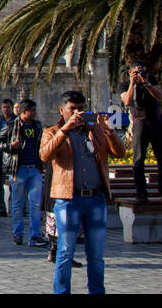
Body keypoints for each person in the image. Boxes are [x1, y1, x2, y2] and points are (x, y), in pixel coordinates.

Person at [41, 89, 127, 294]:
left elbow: (120, 152)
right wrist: (65, 130)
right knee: (65, 251)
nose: (77, 113)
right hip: (68, 199)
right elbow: (45, 155)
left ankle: (96, 291)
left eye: (81, 109)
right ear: (62, 110)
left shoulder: (95, 130)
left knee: (96, 254)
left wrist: (109, 131)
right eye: (73, 109)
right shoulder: (52, 131)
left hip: (95, 198)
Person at [0, 98, 46, 246]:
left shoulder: (37, 126)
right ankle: (17, 234)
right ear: (24, 112)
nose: (35, 113)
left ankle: (35, 235)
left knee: (36, 204)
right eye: (33, 110)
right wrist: (10, 147)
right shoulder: (11, 126)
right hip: (18, 170)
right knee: (17, 204)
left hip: (34, 169)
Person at [118, 63, 162, 204]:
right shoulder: (125, 84)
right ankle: (141, 192)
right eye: (136, 71)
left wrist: (146, 83)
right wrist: (133, 83)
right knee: (138, 159)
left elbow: (160, 96)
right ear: (130, 72)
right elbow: (127, 101)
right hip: (140, 123)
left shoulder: (151, 79)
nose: (139, 74)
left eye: (142, 71)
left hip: (156, 122)